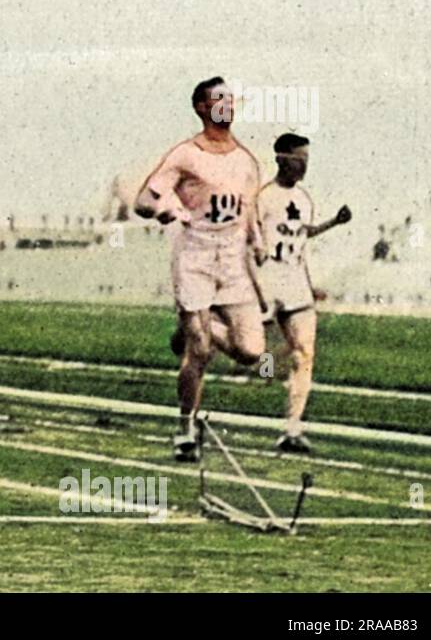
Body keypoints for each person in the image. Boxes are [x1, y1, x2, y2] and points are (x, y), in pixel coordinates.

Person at [134, 76, 266, 461]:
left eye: (231, 99)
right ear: (201, 108)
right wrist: (166, 209)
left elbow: (250, 208)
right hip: (194, 257)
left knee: (251, 351)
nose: (227, 105)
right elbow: (144, 199)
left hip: (231, 262)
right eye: (218, 100)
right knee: (201, 349)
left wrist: (256, 240)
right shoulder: (185, 155)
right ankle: (185, 430)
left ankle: (193, 324)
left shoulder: (245, 160)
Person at [257, 133, 350, 453]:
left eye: (307, 160)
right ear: (282, 158)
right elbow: (249, 241)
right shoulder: (264, 198)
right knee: (256, 352)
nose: (304, 165)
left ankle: (293, 429)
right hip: (267, 278)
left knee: (304, 353)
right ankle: (265, 365)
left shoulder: (305, 199)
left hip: (295, 279)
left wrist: (334, 223)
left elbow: (304, 234)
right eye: (300, 159)